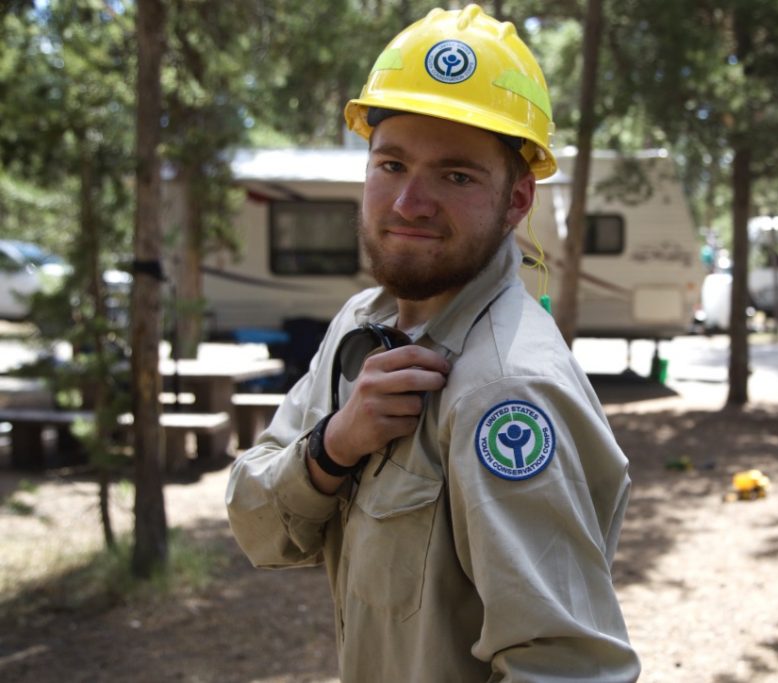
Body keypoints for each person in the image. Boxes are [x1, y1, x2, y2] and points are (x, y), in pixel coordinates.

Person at [225, 5, 640, 681]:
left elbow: (566, 669)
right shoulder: (360, 325)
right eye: (391, 163)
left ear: (516, 201)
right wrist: (334, 445)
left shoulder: (503, 386)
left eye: (457, 176)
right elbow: (255, 524)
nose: (409, 202)